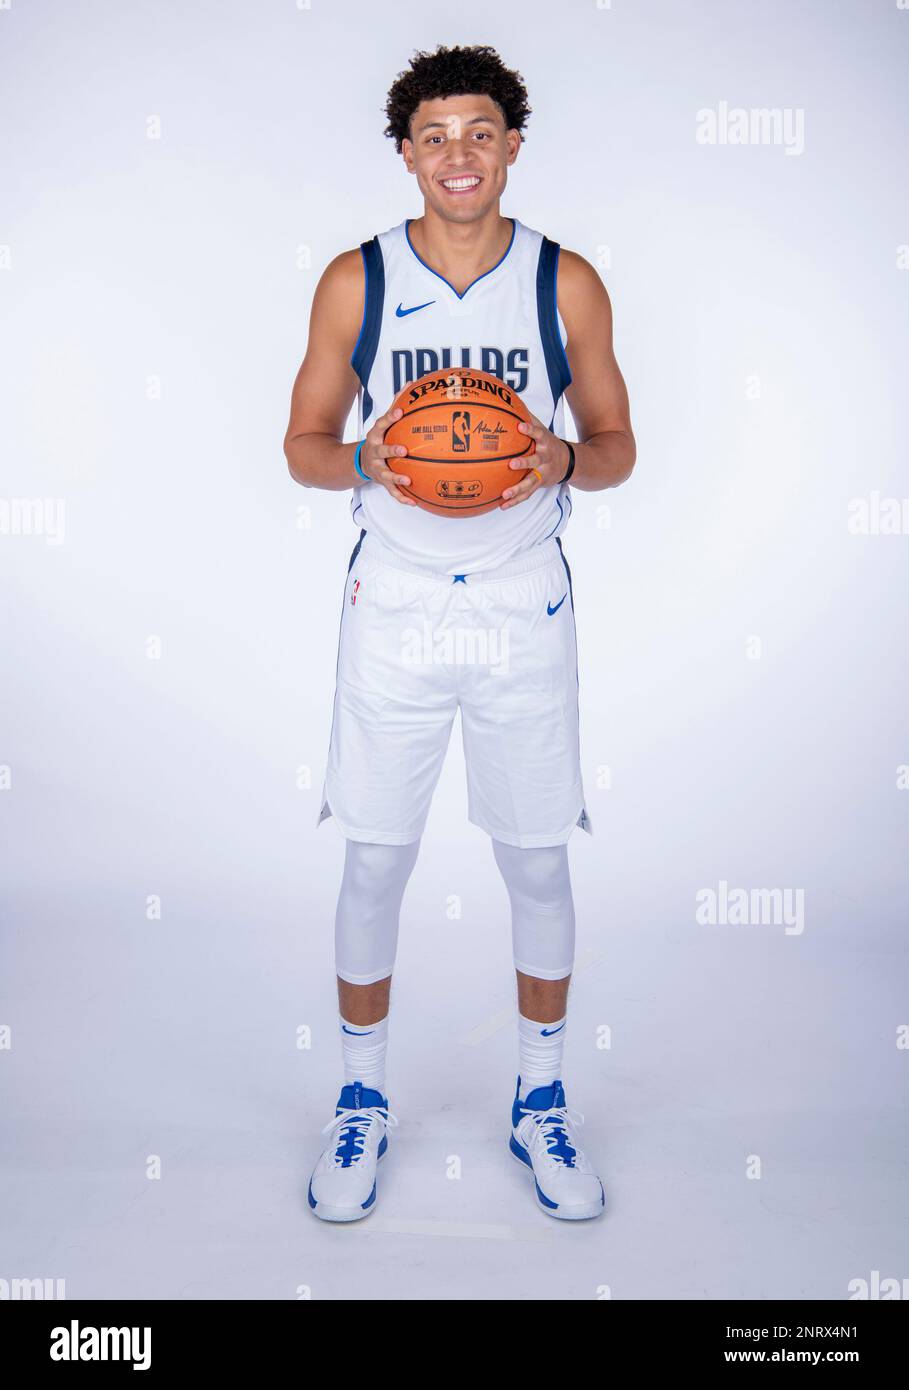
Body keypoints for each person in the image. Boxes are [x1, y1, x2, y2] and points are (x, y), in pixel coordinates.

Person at [284, 44, 635, 1223]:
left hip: (521, 598)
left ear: (514, 146)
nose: (459, 155)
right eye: (436, 135)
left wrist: (568, 456)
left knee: (536, 856)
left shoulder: (564, 281)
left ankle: (540, 1099)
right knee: (375, 855)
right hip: (393, 601)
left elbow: (621, 445)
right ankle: (361, 1099)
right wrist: (367, 458)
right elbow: (301, 445)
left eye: (480, 132)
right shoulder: (358, 279)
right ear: (406, 153)